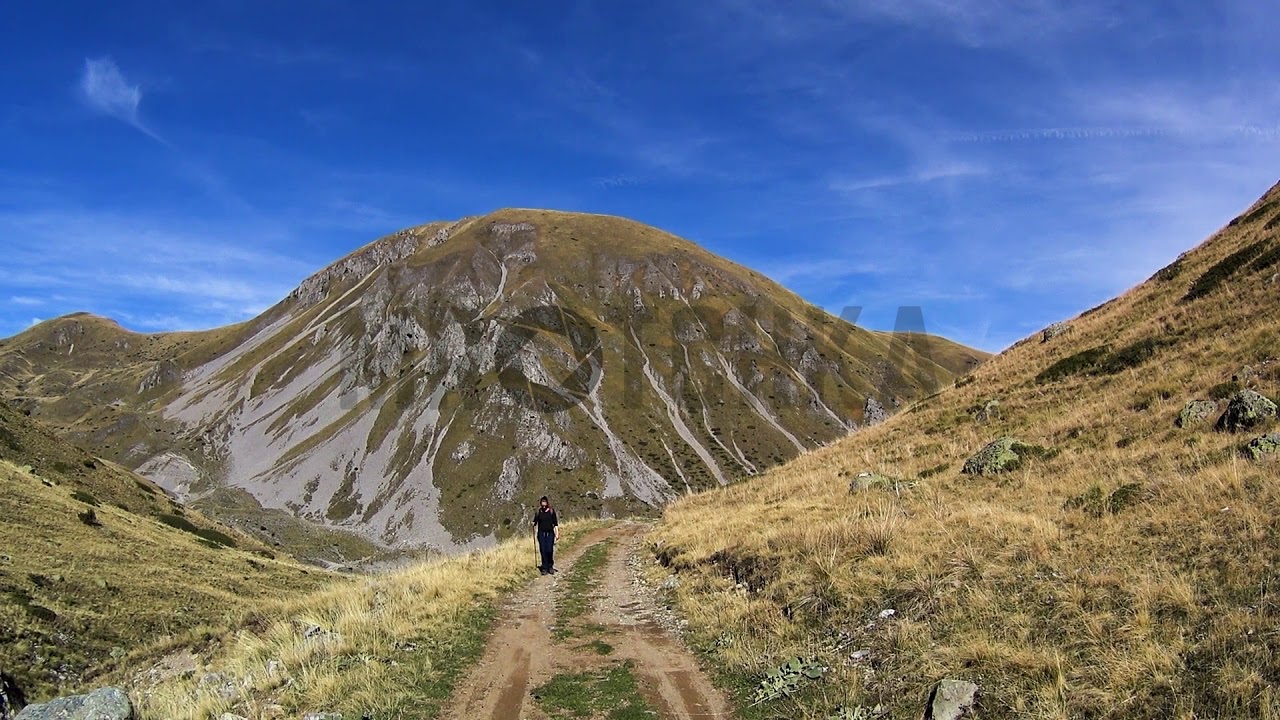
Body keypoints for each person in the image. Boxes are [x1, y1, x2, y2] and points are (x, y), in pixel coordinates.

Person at [532, 495, 559, 574]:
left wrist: (557, 534)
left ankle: (550, 566)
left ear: (547, 503)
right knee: (543, 550)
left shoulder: (551, 511)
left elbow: (555, 523)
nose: (543, 504)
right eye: (542, 502)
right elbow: (535, 521)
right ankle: (544, 567)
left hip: (550, 533)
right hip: (541, 534)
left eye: (545, 502)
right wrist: (533, 523)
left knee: (549, 550)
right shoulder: (539, 512)